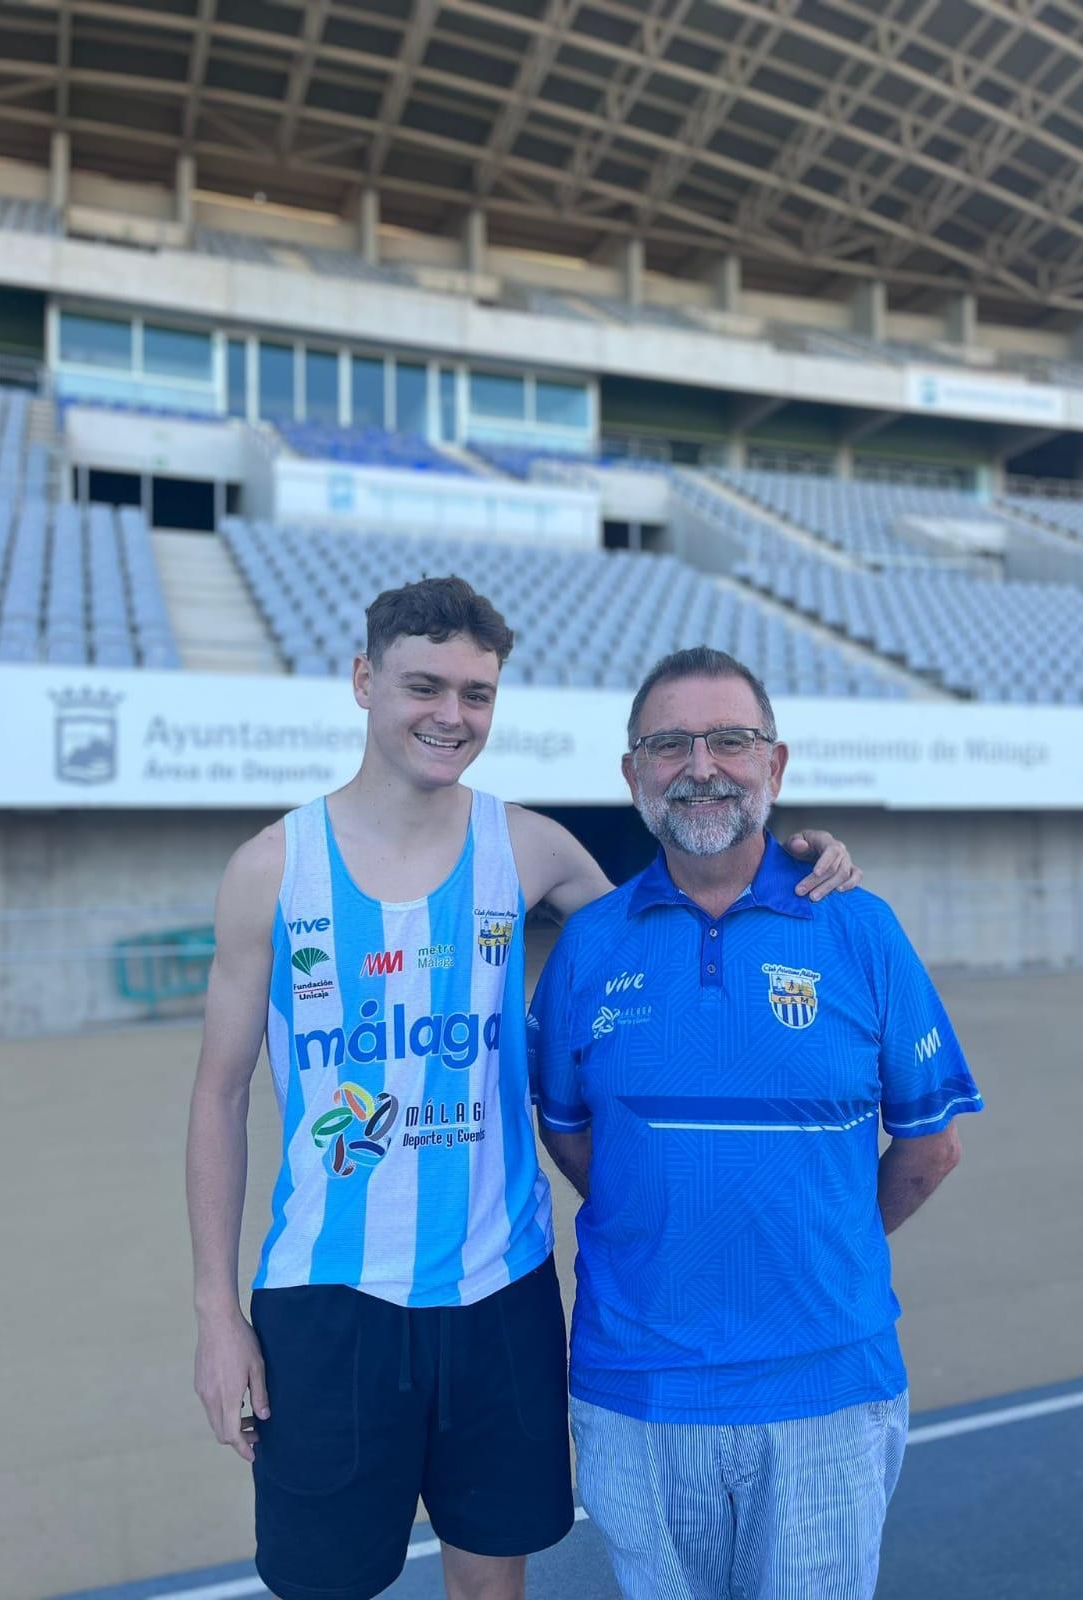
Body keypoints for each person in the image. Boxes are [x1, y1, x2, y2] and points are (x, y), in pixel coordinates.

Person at [186, 579, 864, 1600]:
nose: (451, 715)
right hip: (325, 1299)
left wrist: (793, 851)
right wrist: (213, 1313)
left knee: (493, 1584)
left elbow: (679, 910)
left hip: (499, 1293)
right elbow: (217, 1097)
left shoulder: (532, 849)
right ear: (364, 680)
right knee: (323, 1584)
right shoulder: (271, 869)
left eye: (477, 692)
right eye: (423, 684)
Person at [529, 645, 984, 1600]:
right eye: (669, 744)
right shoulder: (590, 945)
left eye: (731, 740)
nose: (701, 766)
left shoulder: (862, 929)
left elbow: (932, 1145)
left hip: (828, 1385)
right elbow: (573, 1135)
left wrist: (822, 1229)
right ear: (632, 774)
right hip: (639, 1391)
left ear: (774, 766)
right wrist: (668, 1209)